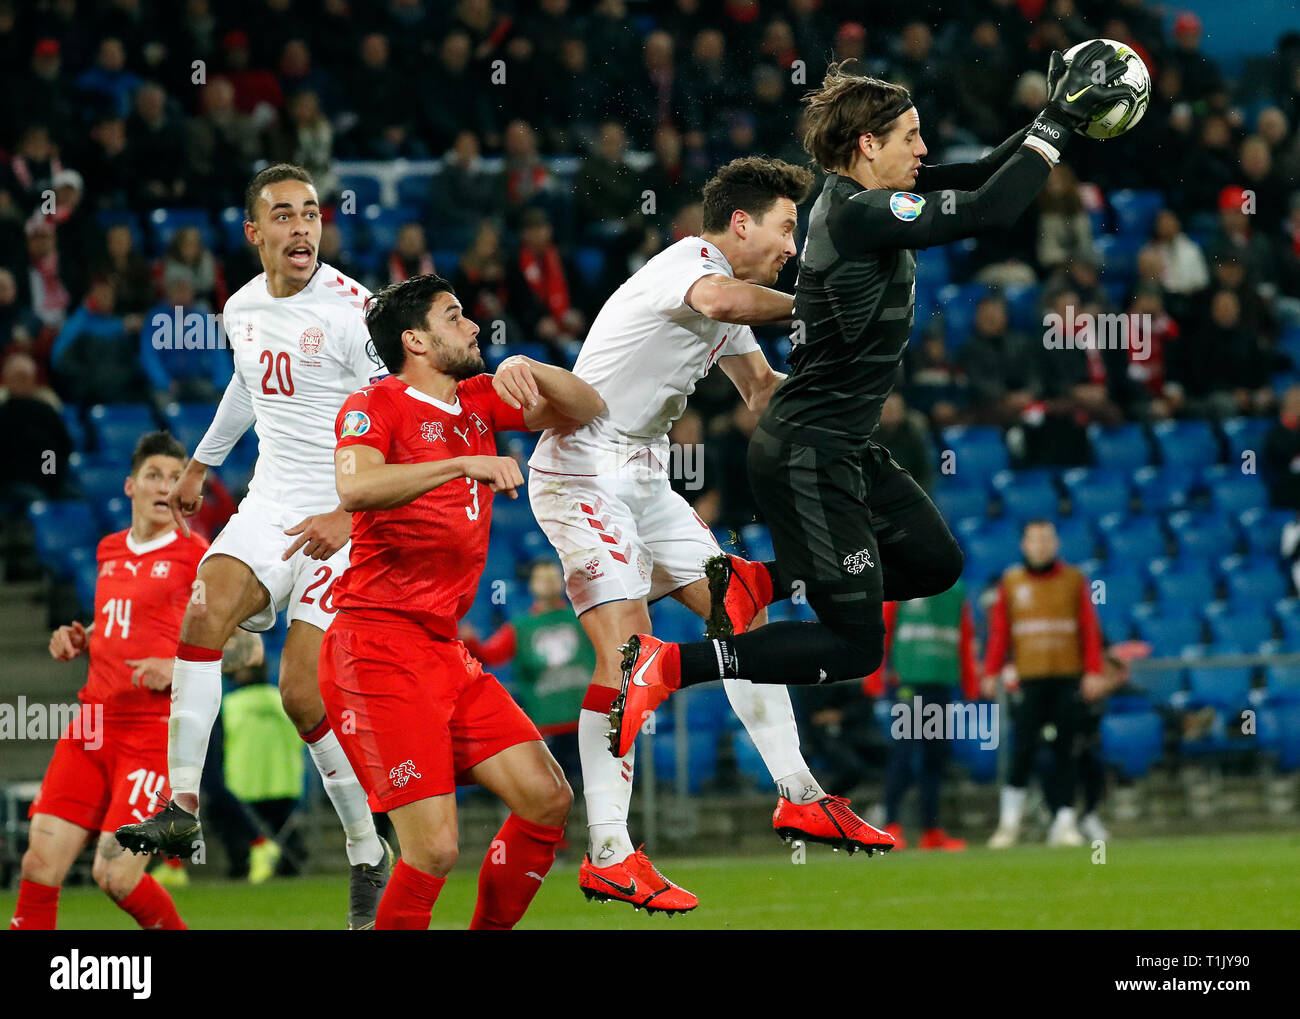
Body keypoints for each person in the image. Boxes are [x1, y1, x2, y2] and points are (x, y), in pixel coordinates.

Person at [608, 47, 1134, 758]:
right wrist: (1062, 125)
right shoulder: (856, 215)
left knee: (935, 562)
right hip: (809, 452)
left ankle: (763, 577)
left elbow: (981, 175)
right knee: (854, 647)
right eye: (911, 137)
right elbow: (989, 208)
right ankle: (666, 665)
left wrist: (1049, 115)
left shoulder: (869, 200)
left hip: (843, 445)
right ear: (868, 145)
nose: (923, 149)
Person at [530, 156, 891, 915]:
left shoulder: (720, 303)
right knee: (627, 653)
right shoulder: (691, 266)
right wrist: (817, 302)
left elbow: (762, 390)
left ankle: (799, 793)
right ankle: (608, 851)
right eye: (786, 228)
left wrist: (844, 411)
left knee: (738, 613)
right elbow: (725, 298)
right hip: (581, 472)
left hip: (645, 478)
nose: (793, 245)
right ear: (739, 224)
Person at [115, 164, 393, 930]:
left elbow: (394, 408)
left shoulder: (353, 311)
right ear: (255, 232)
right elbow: (245, 385)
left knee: (300, 695)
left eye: (311, 214)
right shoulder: (239, 306)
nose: (302, 228)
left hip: (341, 515)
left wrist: (352, 507)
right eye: (284, 216)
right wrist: (204, 462)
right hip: (270, 504)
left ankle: (367, 848)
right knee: (204, 615)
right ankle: (181, 803)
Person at [320, 273, 605, 930]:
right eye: (455, 317)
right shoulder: (376, 403)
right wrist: (460, 465)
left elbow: (587, 405)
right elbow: (357, 487)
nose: (474, 326)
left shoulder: (478, 399)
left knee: (546, 796)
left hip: (443, 650)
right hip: (376, 647)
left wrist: (528, 366)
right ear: (414, 340)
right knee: (434, 848)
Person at [10, 432, 204, 931]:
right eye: (153, 476)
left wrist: (174, 666)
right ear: (130, 486)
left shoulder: (197, 555)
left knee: (115, 874)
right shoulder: (109, 550)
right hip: (92, 726)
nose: (165, 486)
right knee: (38, 865)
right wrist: (83, 638)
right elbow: (120, 622)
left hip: (151, 734)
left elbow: (240, 646)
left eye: (174, 477)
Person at [982, 520, 1105, 848]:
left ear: (1056, 543)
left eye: (1047, 539)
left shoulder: (1074, 579)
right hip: (1028, 679)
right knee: (1022, 750)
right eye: (1035, 540)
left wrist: (1093, 670)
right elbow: (999, 632)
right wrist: (990, 670)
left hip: (1067, 677)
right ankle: (1009, 825)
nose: (1041, 546)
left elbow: (1088, 628)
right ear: (1024, 544)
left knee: (1066, 750)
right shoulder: (1011, 581)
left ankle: (1065, 823)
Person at [460, 559, 595, 787]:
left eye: (553, 578)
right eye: (542, 579)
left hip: (586, 720)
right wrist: (471, 641)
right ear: (531, 585)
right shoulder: (520, 628)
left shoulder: (583, 616)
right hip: (546, 724)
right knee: (554, 792)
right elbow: (490, 656)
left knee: (594, 788)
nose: (549, 583)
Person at [873, 581, 979, 851]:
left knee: (934, 756)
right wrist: (875, 678)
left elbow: (964, 639)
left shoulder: (956, 593)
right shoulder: (903, 587)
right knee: (904, 754)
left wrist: (970, 684)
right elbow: (882, 629)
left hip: (941, 685)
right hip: (909, 684)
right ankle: (890, 826)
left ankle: (930, 831)